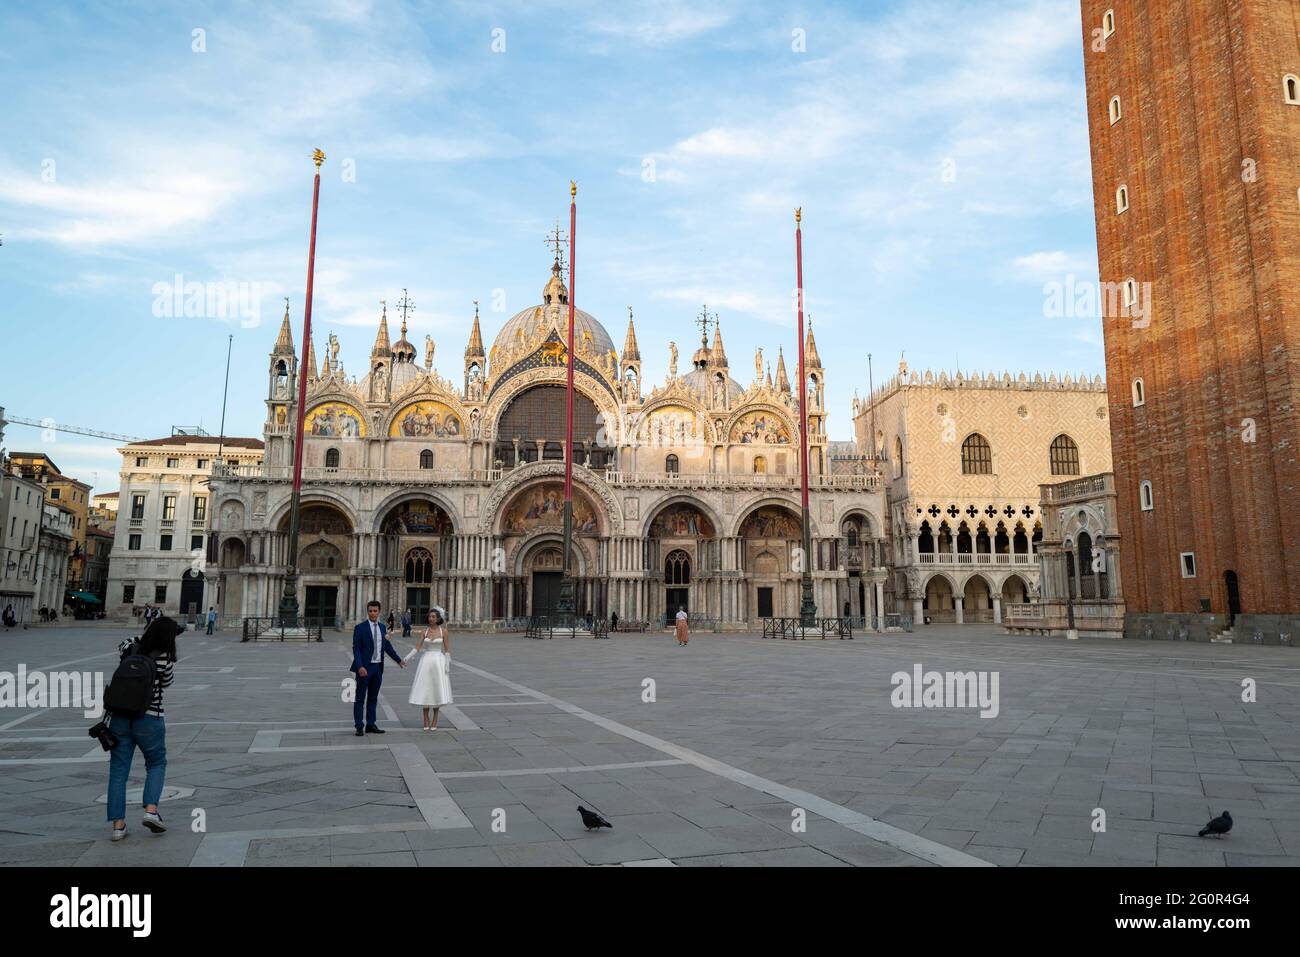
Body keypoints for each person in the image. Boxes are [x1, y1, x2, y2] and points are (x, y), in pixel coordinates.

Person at [106, 616, 180, 842]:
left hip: (120, 716)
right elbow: (167, 682)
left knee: (118, 771)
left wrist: (141, 640)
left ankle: (118, 826)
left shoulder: (129, 646)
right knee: (156, 763)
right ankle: (150, 810)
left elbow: (122, 647)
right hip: (149, 718)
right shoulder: (165, 657)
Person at [350, 601, 404, 736]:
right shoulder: (360, 628)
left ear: (379, 612)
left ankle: (371, 724)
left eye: (375, 611)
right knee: (360, 698)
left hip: (378, 668)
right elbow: (356, 648)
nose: (372, 613)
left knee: (373, 698)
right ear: (367, 612)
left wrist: (399, 660)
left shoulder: (382, 627)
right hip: (365, 667)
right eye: (370, 611)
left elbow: (387, 646)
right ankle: (359, 726)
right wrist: (360, 666)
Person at [404, 606, 452, 730]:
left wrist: (447, 665)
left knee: (437, 690)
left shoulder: (443, 632)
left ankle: (435, 719)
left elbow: (447, 650)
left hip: (438, 662)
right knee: (425, 689)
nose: (431, 619)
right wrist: (406, 658)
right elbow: (417, 648)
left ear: (438, 618)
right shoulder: (424, 632)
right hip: (426, 662)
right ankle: (425, 718)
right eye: (429, 617)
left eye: (433, 617)